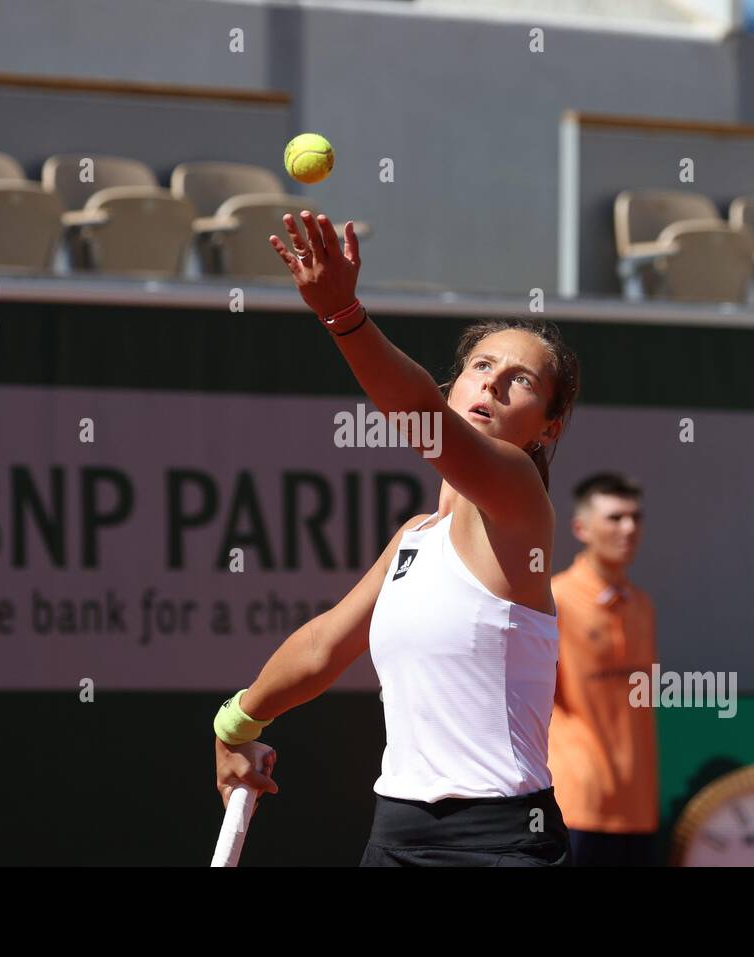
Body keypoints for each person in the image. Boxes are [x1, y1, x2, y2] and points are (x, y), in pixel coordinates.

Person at [212, 210, 581, 866]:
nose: (492, 380)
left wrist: (342, 314)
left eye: (520, 379)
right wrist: (238, 720)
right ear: (454, 385)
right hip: (396, 835)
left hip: (499, 841)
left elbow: (423, 422)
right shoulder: (416, 536)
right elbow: (326, 645)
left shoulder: (521, 499)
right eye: (481, 365)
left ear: (548, 428)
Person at [546, 474, 659, 866]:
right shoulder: (554, 599)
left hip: (639, 808)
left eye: (636, 517)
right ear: (581, 528)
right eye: (615, 518)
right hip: (576, 805)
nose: (629, 528)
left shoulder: (641, 605)